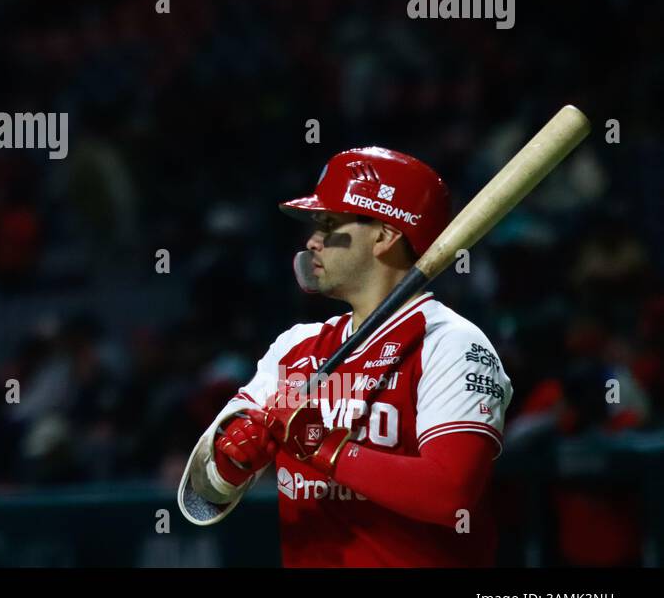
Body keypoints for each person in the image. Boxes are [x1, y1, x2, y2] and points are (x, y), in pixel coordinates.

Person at [178, 147, 513, 566]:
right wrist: (231, 461)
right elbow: (202, 497)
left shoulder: (450, 343)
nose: (311, 241)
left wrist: (327, 448)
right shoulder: (295, 346)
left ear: (385, 235)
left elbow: (451, 496)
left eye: (330, 223)